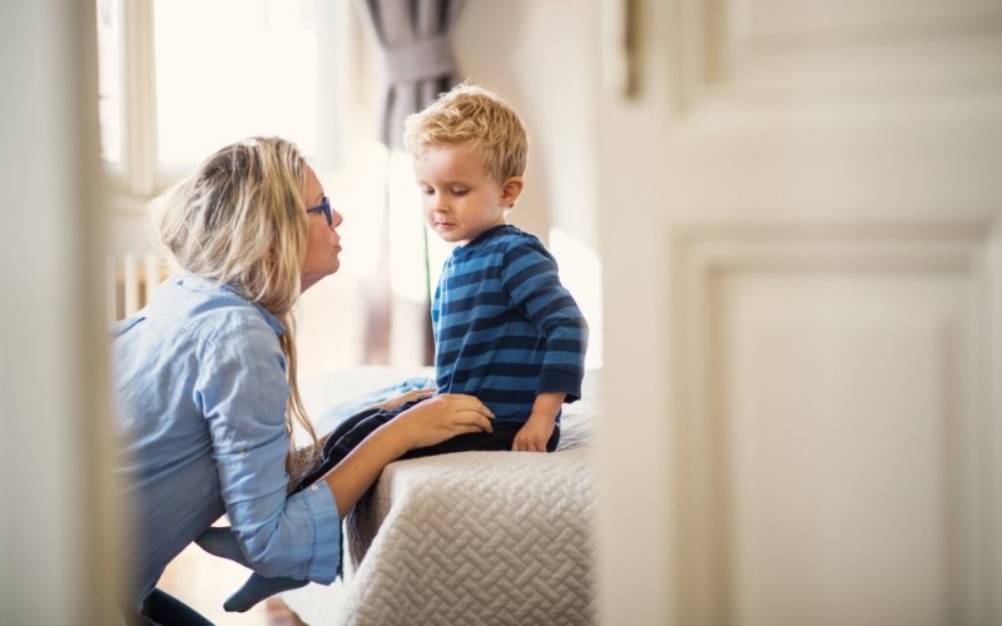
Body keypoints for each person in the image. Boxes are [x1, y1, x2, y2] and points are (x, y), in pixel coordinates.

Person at [203, 83, 589, 613]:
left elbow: (567, 325)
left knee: (372, 445)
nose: (439, 206)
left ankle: (280, 554)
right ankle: (275, 539)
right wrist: (439, 388)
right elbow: (483, 344)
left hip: (501, 422)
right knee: (359, 425)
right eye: (428, 191)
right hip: (471, 405)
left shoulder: (515, 256)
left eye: (457, 190)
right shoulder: (465, 258)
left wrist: (542, 416)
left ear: (509, 191)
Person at [112, 136, 496, 626]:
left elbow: (250, 473)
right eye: (323, 207)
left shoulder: (187, 297)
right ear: (273, 233)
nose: (338, 219)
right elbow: (270, 540)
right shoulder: (239, 337)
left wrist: (374, 421)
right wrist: (404, 432)